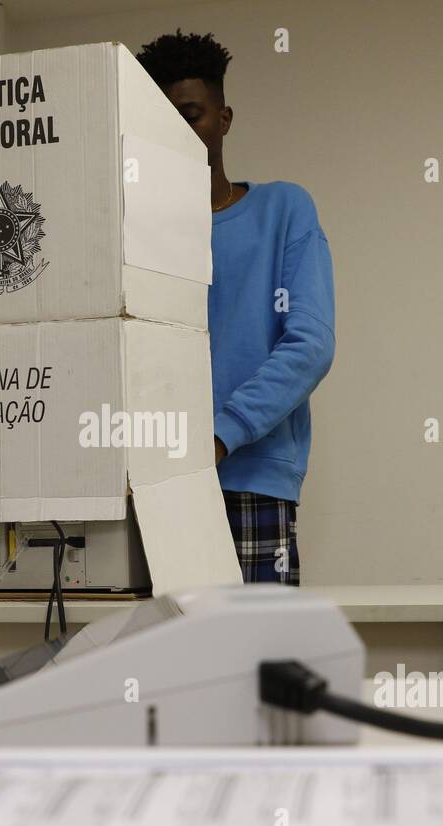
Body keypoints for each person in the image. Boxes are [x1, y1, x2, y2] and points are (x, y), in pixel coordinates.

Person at [136, 29, 336, 586]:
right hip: (153, 493)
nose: (179, 132)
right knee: (161, 669)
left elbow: (311, 343)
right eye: (163, 121)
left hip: (250, 483)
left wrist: (220, 436)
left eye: (192, 114)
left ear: (223, 119)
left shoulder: (284, 209)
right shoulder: (135, 234)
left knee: (255, 664)